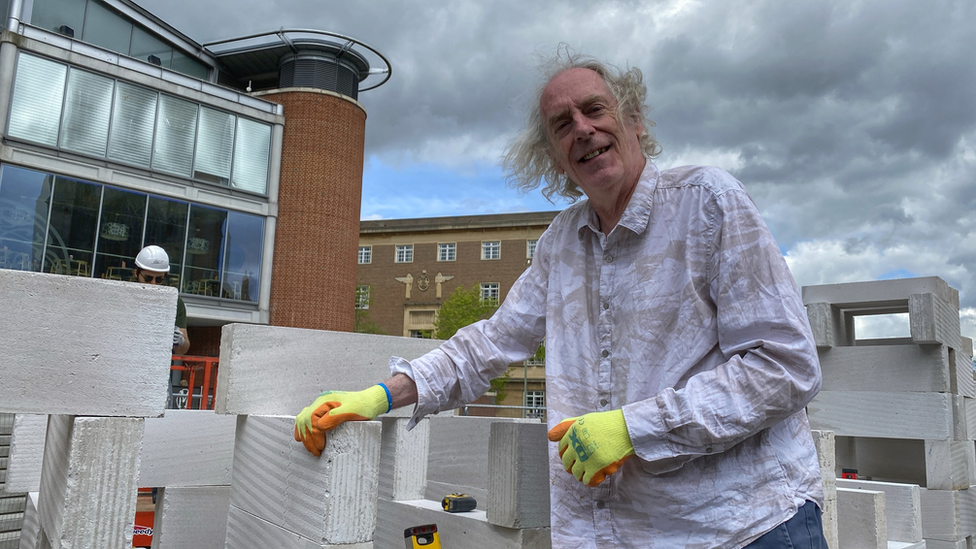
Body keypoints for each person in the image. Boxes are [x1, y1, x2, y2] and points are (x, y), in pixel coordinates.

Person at [295, 51, 827, 548]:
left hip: (746, 527)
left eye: (595, 109)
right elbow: (490, 344)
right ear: (554, 158)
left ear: (635, 119)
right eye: (562, 124)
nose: (583, 129)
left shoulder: (708, 202)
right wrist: (381, 396)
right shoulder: (561, 243)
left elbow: (784, 366)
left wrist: (632, 427)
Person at [134, 245, 190, 356]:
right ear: (136, 273)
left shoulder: (175, 303)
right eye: (148, 278)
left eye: (158, 279)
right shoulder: (123, 295)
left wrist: (180, 342)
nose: (153, 284)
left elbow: (183, 350)